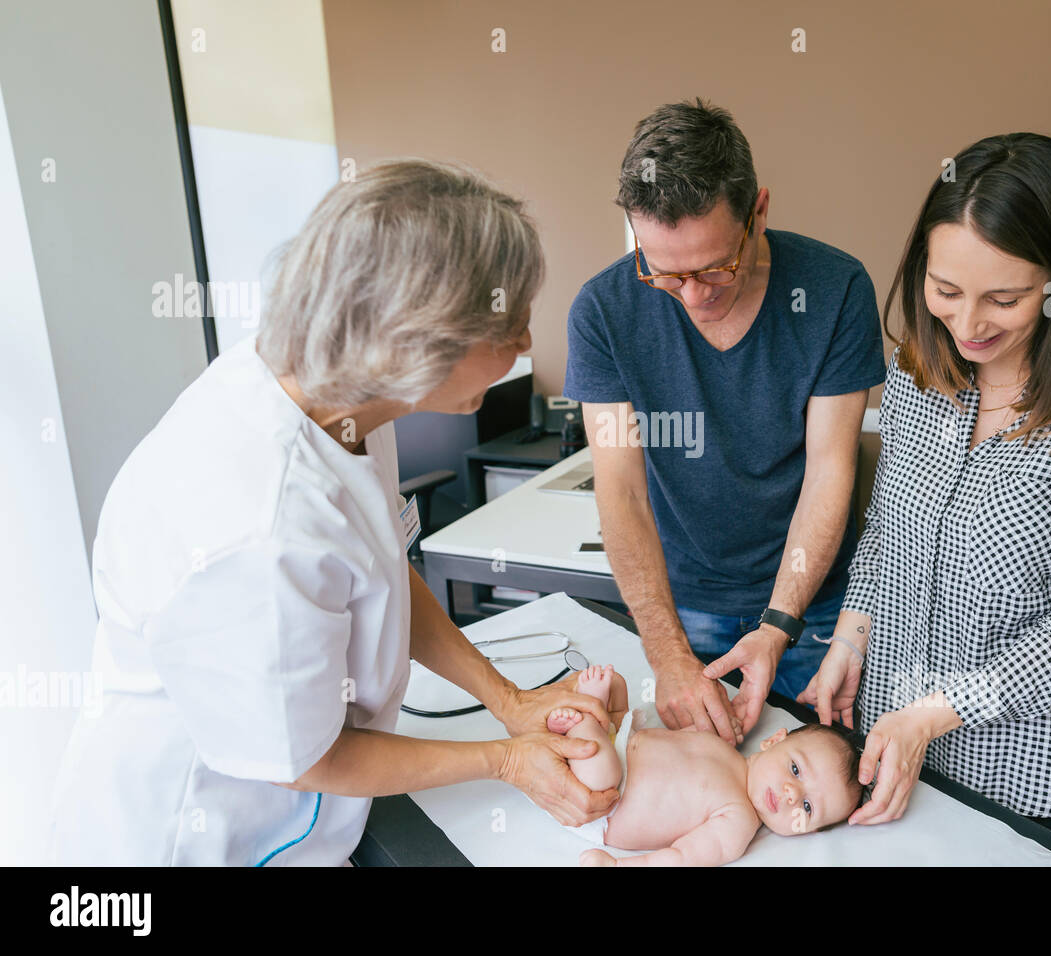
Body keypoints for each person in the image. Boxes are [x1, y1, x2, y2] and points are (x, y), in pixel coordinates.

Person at [48, 160, 620, 865]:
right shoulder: (255, 524)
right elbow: (307, 758)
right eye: (511, 325)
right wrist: (506, 760)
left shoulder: (343, 399)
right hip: (193, 838)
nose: (526, 346)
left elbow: (379, 564)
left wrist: (511, 701)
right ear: (423, 339)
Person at [799, 133, 1051, 854]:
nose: (969, 325)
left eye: (1004, 299)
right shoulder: (916, 375)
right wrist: (851, 637)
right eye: (945, 292)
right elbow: (886, 531)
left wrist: (934, 714)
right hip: (893, 738)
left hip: (1030, 772)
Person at [564, 98, 886, 746]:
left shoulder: (835, 288)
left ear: (758, 210)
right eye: (664, 273)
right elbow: (620, 489)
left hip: (814, 602)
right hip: (682, 603)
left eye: (715, 268)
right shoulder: (601, 310)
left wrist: (778, 623)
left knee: (816, 789)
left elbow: (830, 472)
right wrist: (666, 653)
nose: (693, 296)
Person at [543, 665, 864, 866]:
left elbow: (681, 859)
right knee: (617, 684)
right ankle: (594, 718)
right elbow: (674, 743)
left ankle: (584, 719)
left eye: (808, 807)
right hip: (619, 741)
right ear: (774, 740)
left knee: (602, 771)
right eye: (795, 769)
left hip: (601, 800)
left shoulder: (738, 822)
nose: (791, 794)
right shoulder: (725, 749)